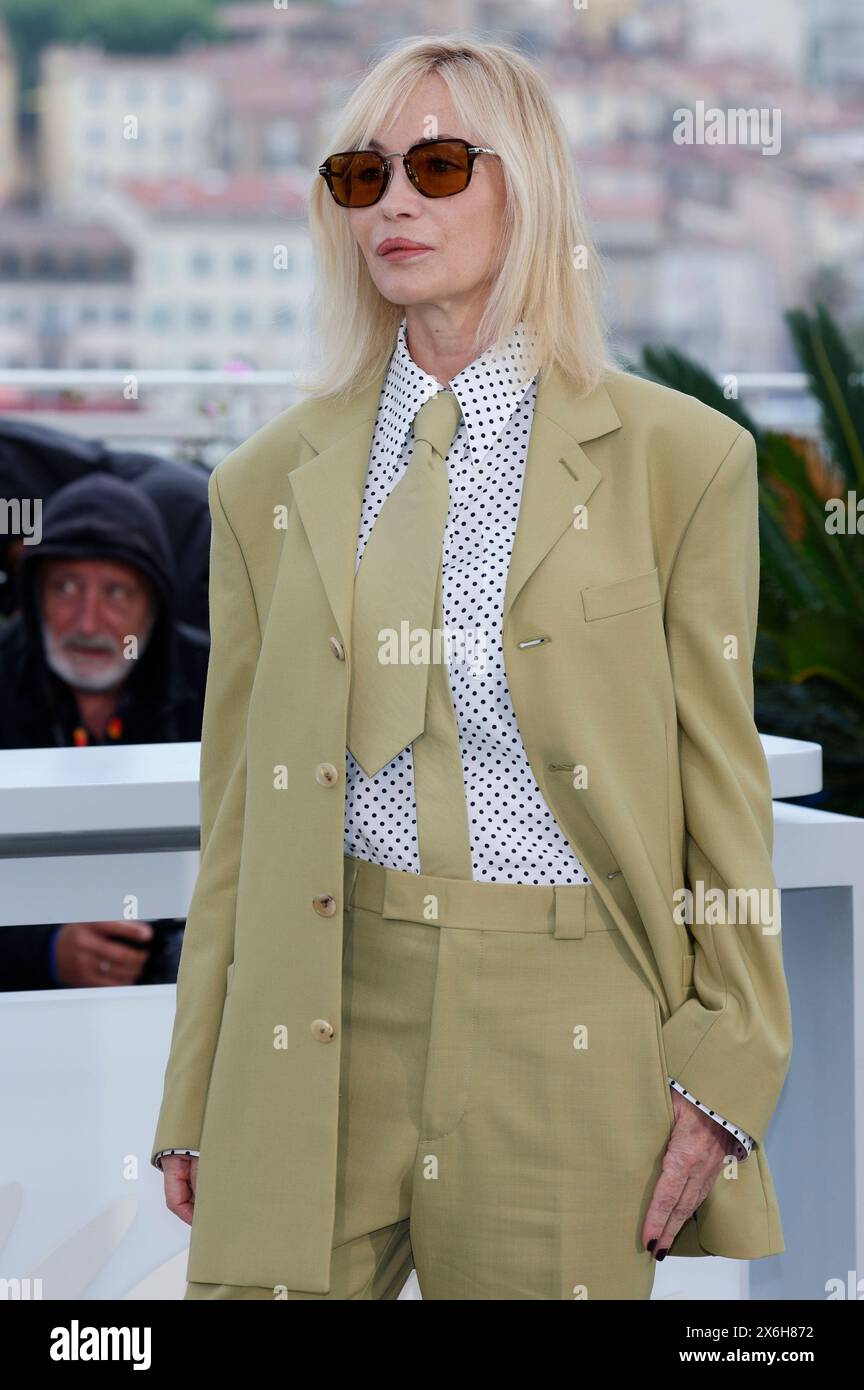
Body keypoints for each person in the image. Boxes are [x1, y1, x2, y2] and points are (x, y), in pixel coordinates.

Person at [152, 34, 792, 1300]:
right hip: (325, 1006)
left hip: (570, 1026)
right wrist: (197, 1085)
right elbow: (238, 818)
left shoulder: (680, 462)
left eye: (438, 166)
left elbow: (724, 798)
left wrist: (730, 1067)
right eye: (363, 174)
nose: (393, 202)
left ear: (528, 186)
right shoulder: (264, 484)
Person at [0, 473, 209, 989]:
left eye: (116, 592)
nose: (88, 622)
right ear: (34, 595)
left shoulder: (220, 683)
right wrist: (45, 951)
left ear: (154, 602)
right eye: (65, 588)